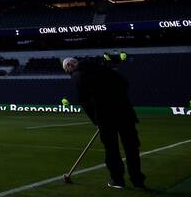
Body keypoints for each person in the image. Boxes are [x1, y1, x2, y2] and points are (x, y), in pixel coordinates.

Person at [63, 56, 146, 189]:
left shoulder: (77, 75)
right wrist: (119, 99)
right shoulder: (101, 67)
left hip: (105, 116)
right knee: (131, 148)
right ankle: (138, 181)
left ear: (69, 66)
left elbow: (84, 100)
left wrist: (97, 120)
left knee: (112, 149)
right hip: (124, 112)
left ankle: (117, 180)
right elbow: (123, 83)